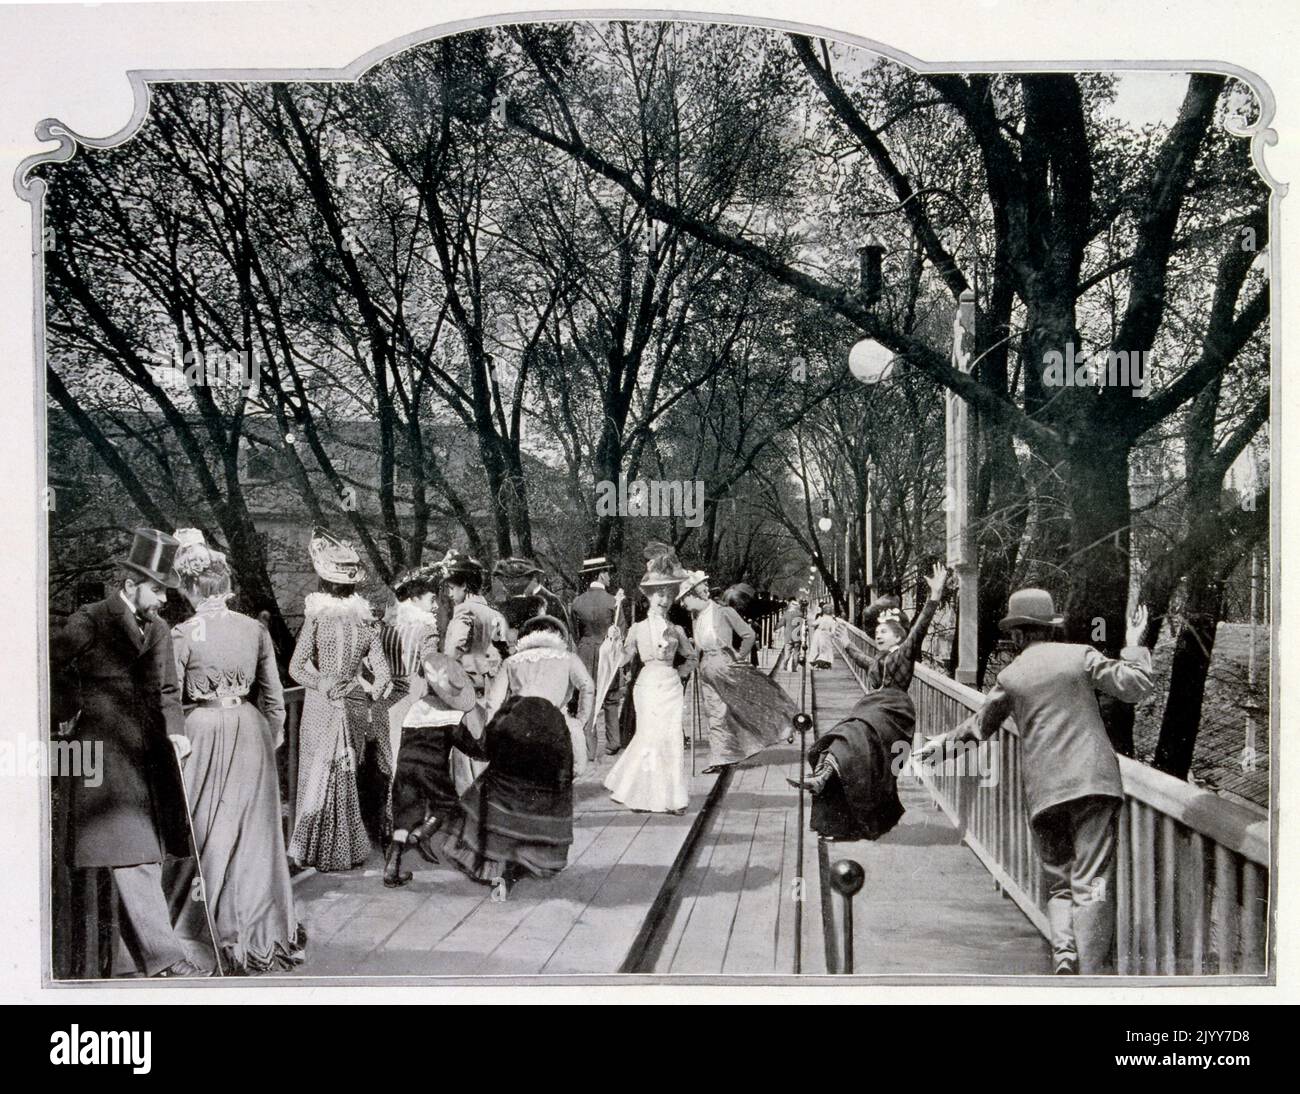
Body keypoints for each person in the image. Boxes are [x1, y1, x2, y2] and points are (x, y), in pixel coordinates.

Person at [920, 590, 1153, 975]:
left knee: (1059, 882)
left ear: (1016, 635)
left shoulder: (1011, 676)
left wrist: (942, 745)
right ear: (1049, 628)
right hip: (1093, 784)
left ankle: (1064, 954)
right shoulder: (1079, 656)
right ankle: (1093, 978)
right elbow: (1135, 687)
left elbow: (978, 728)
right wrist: (1132, 645)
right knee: (1092, 881)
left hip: (1044, 793)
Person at [49, 528, 204, 977]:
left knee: (145, 854)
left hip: (148, 758)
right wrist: (70, 709)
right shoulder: (91, 619)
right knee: (131, 854)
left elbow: (169, 691)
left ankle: (137, 960)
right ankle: (166, 959)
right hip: (102, 757)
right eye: (157, 590)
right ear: (131, 583)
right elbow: (50, 664)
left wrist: (177, 732)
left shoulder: (157, 629)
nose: (162, 600)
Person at [166, 530, 303, 973]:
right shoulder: (254, 629)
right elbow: (275, 696)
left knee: (205, 830)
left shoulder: (183, 633)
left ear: (189, 589)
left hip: (201, 730)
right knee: (256, 835)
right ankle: (259, 936)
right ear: (224, 586)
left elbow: (166, 694)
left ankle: (203, 934)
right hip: (250, 731)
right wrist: (273, 735)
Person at [791, 563, 949, 842]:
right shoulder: (881, 660)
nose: (877, 635)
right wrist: (848, 644)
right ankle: (829, 793)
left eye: (884, 632)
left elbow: (920, 630)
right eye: (876, 632)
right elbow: (865, 663)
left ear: (899, 636)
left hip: (892, 715)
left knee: (853, 741)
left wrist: (934, 597)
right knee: (842, 745)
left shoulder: (902, 655)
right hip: (874, 712)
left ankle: (827, 776)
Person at [288, 528, 392, 872]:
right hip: (355, 703)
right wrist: (371, 692)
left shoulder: (317, 618)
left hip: (322, 702)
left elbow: (295, 668)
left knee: (318, 775)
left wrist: (323, 683)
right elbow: (383, 674)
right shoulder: (366, 622)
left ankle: (312, 850)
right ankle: (345, 848)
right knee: (346, 776)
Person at [434, 695, 576, 895]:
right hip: (547, 739)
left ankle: (498, 871)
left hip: (515, 743)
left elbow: (488, 744)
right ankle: (522, 864)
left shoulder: (508, 704)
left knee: (493, 796)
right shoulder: (555, 715)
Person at [603, 543, 698, 814]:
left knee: (670, 739)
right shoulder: (637, 628)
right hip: (646, 685)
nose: (663, 600)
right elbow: (623, 658)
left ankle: (673, 799)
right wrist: (613, 642)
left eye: (667, 595)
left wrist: (679, 674)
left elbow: (691, 658)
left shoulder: (677, 630)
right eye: (658, 595)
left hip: (670, 686)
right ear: (649, 597)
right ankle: (640, 795)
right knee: (649, 736)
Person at [680, 576, 796, 774]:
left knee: (748, 701)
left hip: (726, 665)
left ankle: (784, 724)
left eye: (684, 599)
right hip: (706, 668)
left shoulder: (724, 611)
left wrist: (737, 656)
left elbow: (749, 635)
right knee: (715, 712)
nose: (682, 604)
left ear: (695, 595)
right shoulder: (696, 617)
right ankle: (721, 758)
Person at [384, 646, 479, 887]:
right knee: (447, 804)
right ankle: (423, 834)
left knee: (404, 817)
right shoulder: (450, 715)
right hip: (432, 770)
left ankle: (392, 868)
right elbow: (472, 748)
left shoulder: (416, 708)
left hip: (405, 769)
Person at [484, 614, 595, 775]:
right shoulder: (568, 658)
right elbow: (588, 686)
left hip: (518, 725)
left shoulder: (512, 661)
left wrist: (492, 730)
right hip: (556, 723)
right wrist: (581, 720)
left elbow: (494, 701)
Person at [440, 550, 510, 794]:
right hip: (490, 684)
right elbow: (503, 650)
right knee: (486, 741)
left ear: (465, 586)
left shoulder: (464, 611)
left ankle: (468, 801)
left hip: (465, 684)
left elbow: (452, 649)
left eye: (452, 587)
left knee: (464, 747)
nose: (450, 593)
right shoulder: (495, 613)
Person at [373, 565, 441, 774]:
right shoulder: (426, 629)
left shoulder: (383, 628)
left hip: (384, 702)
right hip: (414, 701)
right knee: (410, 764)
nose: (436, 606)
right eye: (432, 599)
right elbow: (432, 668)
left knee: (390, 762)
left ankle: (390, 805)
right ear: (414, 599)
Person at [569, 555, 624, 756]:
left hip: (585, 650)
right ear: (601, 575)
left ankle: (589, 748)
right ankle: (613, 741)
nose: (609, 576)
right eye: (607, 572)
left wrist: (585, 644)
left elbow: (574, 632)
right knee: (610, 697)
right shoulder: (613, 602)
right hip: (607, 651)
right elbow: (621, 632)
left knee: (588, 695)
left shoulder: (577, 602)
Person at [780, 599, 804, 671]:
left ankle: (785, 665)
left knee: (787, 652)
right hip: (797, 636)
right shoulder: (800, 614)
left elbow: (782, 624)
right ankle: (794, 668)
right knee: (796, 653)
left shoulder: (786, 614)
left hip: (788, 636)